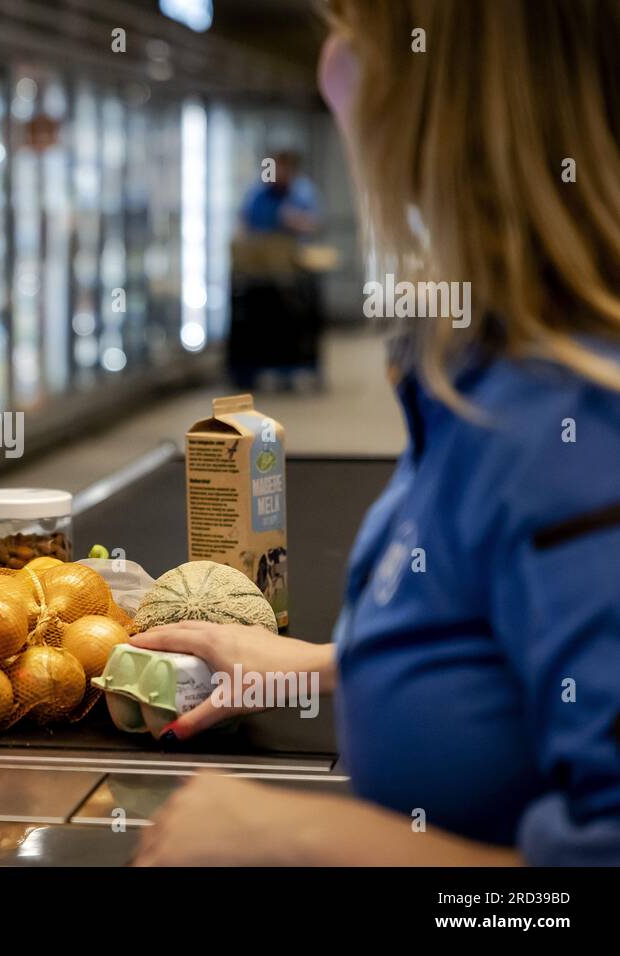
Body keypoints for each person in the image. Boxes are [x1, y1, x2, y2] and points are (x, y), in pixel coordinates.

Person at [136, 0, 620, 866]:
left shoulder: (572, 425)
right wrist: (328, 664)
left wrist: (297, 839)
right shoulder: (483, 375)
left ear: (440, 91)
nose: (327, 68)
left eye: (348, 35)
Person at [238, 149, 320, 238]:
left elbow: (315, 225)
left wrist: (295, 220)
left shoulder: (303, 191)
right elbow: (244, 218)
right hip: (261, 245)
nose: (279, 173)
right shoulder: (259, 189)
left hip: (295, 246)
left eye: (284, 168)